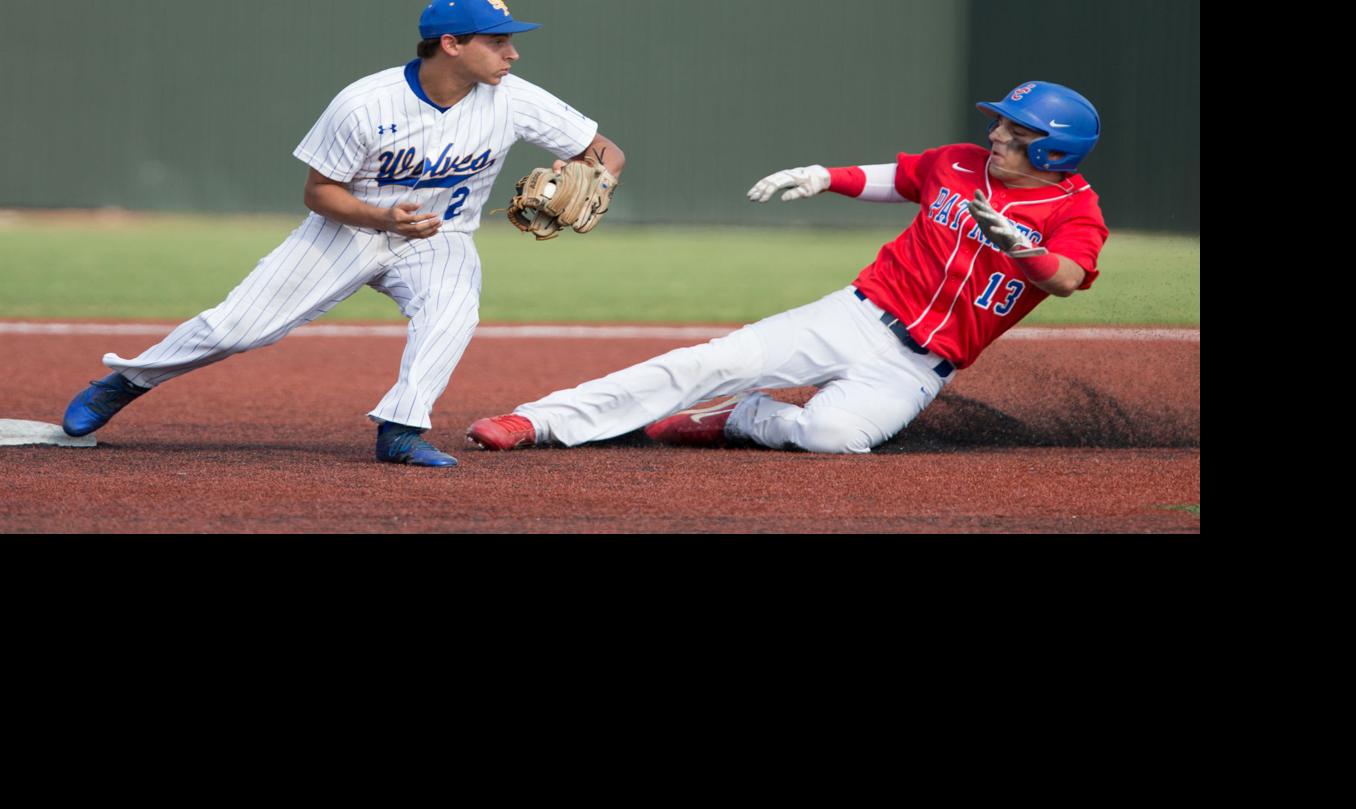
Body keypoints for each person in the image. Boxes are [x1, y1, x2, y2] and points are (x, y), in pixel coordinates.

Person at [61, 0, 625, 467]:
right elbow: (318, 193)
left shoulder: (514, 97)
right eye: (497, 41)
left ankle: (401, 430)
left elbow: (605, 151)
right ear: (451, 44)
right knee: (237, 328)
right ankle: (127, 381)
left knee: (452, 310)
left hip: (441, 237)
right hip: (347, 229)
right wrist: (384, 218)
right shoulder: (365, 103)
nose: (512, 53)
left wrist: (597, 177)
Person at [465, 80, 1107, 456]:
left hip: (919, 366)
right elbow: (902, 178)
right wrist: (825, 176)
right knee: (708, 362)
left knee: (832, 436)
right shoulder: (960, 162)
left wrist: (1024, 250)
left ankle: (741, 417)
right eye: (1001, 123)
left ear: (1053, 151)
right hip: (857, 316)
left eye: (1017, 132)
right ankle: (537, 420)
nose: (997, 135)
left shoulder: (1076, 211)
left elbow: (1068, 279)